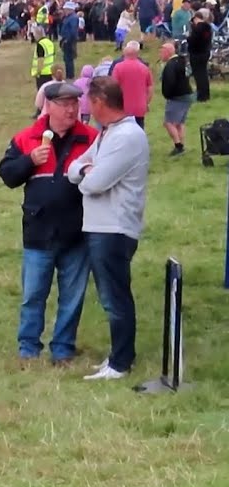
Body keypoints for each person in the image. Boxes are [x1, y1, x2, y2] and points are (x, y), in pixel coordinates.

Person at [0, 82, 98, 366]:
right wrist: (29, 161)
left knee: (72, 296)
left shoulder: (90, 138)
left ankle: (63, 349)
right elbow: (6, 175)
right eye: (64, 104)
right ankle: (28, 348)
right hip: (38, 232)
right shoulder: (27, 138)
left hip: (77, 232)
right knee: (33, 296)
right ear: (49, 106)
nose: (71, 109)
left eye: (75, 104)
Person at [67, 77, 150, 381]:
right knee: (109, 296)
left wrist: (87, 173)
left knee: (115, 297)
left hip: (114, 228)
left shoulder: (126, 136)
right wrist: (86, 170)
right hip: (100, 226)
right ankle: (117, 356)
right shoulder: (107, 134)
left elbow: (93, 182)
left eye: (89, 101)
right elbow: (75, 167)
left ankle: (120, 363)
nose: (87, 107)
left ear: (100, 102)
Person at [159, 41, 195, 156]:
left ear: (168, 52)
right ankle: (181, 144)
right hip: (187, 94)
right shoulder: (181, 61)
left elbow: (170, 82)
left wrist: (167, 95)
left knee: (168, 122)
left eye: (161, 52)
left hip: (177, 97)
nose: (160, 55)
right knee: (179, 123)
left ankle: (178, 146)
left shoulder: (170, 65)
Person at [111, 40, 154, 128]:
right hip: (139, 107)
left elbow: (113, 87)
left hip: (122, 107)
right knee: (138, 130)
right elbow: (150, 87)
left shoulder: (118, 67)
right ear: (137, 54)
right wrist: (146, 102)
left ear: (124, 53)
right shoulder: (144, 68)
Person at [30, 25, 56, 90]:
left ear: (37, 34)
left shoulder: (40, 45)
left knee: (42, 93)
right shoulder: (50, 42)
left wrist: (38, 72)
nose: (34, 36)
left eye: (34, 34)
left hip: (42, 73)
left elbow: (40, 60)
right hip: (51, 71)